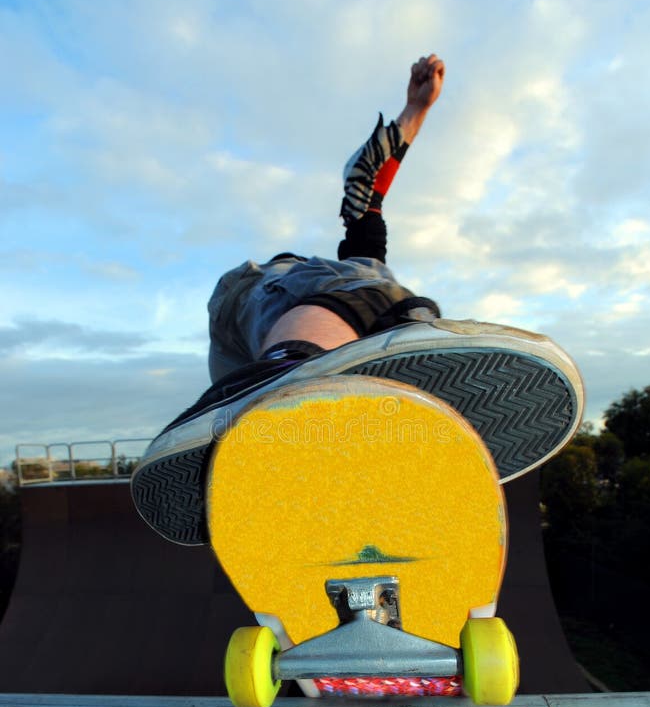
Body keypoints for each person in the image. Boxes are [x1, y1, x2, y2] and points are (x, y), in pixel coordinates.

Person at [131, 55, 584, 545]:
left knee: (379, 299)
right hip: (253, 305)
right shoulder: (357, 268)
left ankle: (327, 444)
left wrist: (417, 109)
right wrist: (415, 112)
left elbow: (364, 178)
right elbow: (362, 177)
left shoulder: (364, 274)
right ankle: (292, 371)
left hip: (264, 350)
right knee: (375, 291)